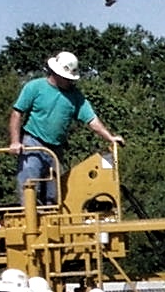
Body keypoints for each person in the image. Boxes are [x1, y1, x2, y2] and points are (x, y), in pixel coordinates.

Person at [7, 51, 121, 207]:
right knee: (29, 188)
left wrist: (110, 137)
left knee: (53, 195)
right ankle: (28, 218)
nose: (69, 81)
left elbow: (92, 120)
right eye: (66, 77)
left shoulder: (75, 96)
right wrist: (15, 142)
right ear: (55, 72)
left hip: (56, 149)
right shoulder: (34, 87)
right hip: (32, 144)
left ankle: (52, 218)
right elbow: (16, 113)